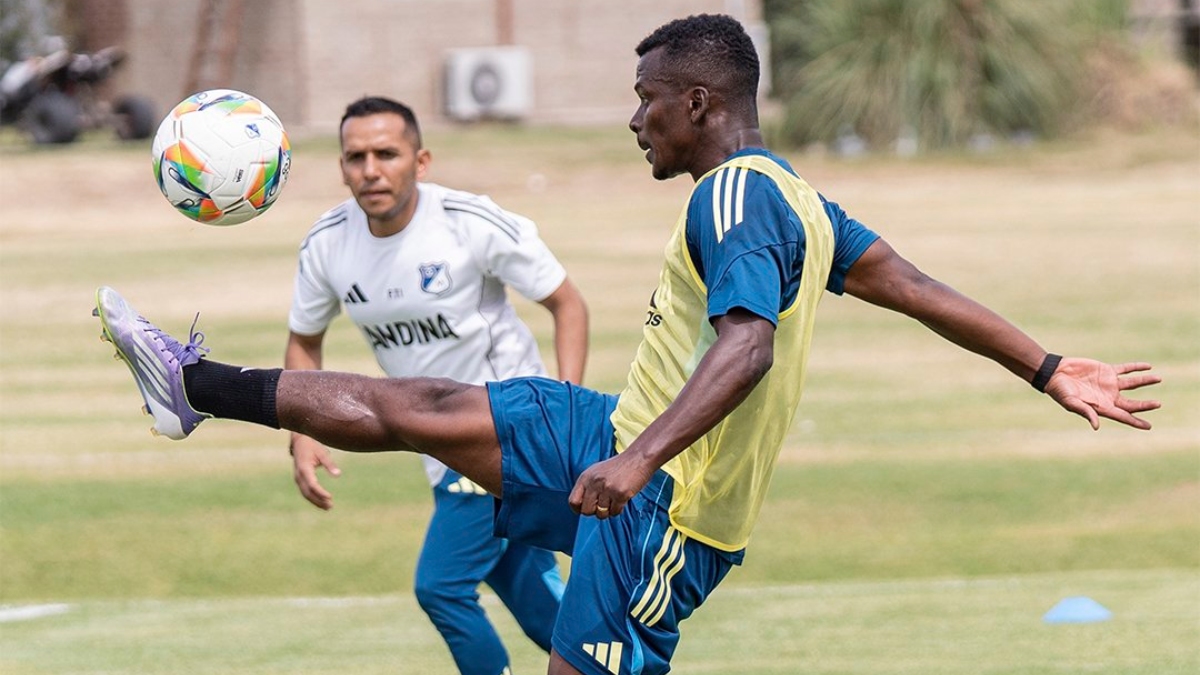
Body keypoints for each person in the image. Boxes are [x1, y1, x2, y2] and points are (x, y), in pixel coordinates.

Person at [94, 14, 1160, 675]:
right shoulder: (795, 195)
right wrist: (1050, 366)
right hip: (607, 427)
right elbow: (914, 287)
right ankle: (189, 383)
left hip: (669, 506)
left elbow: (749, 348)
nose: (635, 118)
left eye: (647, 99)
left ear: (698, 102)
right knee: (411, 404)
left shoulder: (742, 198)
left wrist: (642, 460)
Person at [285, 96, 587, 675]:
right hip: (436, 444)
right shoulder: (328, 243)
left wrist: (563, 411)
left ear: (420, 161)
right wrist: (301, 433)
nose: (370, 169)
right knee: (534, 601)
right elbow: (304, 338)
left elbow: (567, 303)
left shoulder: (469, 223)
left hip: (506, 431)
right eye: (355, 157)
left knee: (441, 587)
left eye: (386, 154)